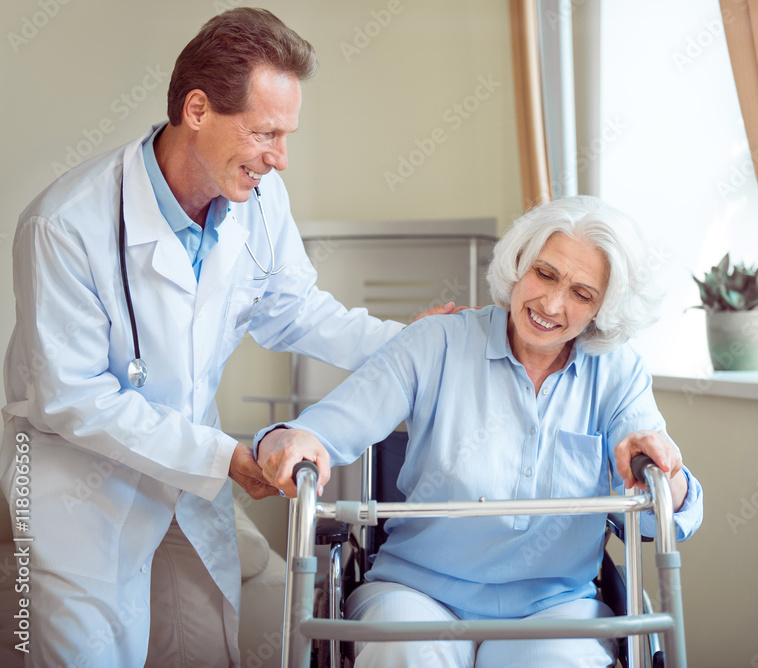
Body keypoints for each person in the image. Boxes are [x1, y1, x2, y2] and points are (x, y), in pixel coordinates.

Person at [0, 8, 454, 667]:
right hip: (84, 491)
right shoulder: (64, 224)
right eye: (265, 132)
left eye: (287, 134)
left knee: (207, 649)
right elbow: (73, 397)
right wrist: (226, 459)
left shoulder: (259, 201)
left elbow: (297, 311)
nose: (281, 158)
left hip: (188, 483)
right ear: (197, 110)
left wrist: (409, 344)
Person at [257, 195, 705, 668]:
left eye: (582, 294)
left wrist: (664, 473)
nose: (551, 304)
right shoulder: (437, 342)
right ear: (518, 264)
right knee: (406, 658)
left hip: (554, 607)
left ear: (601, 310)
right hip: (417, 592)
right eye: (545, 274)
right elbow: (326, 428)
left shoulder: (618, 372)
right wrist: (297, 440)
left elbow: (663, 511)